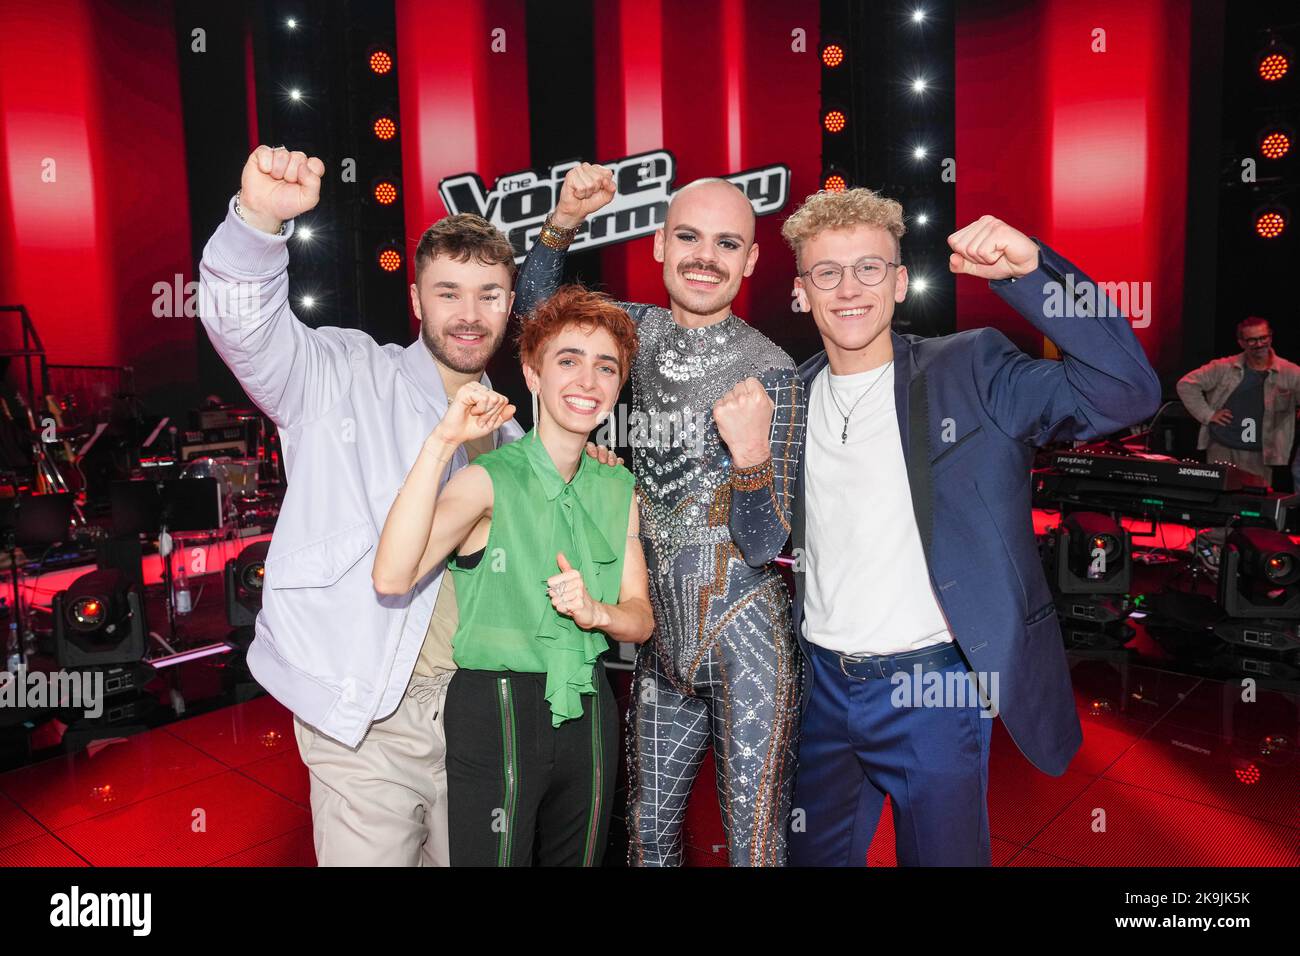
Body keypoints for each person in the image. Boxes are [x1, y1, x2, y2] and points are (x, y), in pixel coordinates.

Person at [198, 145, 614, 866]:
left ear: (509, 306)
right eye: (447, 292)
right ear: (416, 301)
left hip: (478, 715)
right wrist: (260, 221)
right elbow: (246, 330)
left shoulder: (517, 434)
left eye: (489, 295)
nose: (468, 313)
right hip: (368, 711)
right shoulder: (341, 374)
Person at [781, 189, 1161, 866]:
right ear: (802, 291)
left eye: (869, 268)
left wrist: (1032, 272)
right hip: (821, 689)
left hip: (933, 688)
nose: (848, 289)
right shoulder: (788, 396)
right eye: (826, 273)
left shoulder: (970, 368)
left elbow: (1125, 391)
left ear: (899, 282)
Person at [514, 165, 807, 866]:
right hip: (658, 647)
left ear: (752, 260)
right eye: (689, 237)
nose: (705, 256)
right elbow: (536, 317)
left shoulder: (773, 372)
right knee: (645, 839)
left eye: (728, 244)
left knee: (754, 847)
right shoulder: (630, 333)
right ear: (658, 245)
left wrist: (751, 457)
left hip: (750, 645)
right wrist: (564, 221)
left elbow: (768, 541)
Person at [373, 283, 654, 866]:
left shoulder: (619, 486)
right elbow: (393, 577)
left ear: (618, 387)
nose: (587, 381)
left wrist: (597, 614)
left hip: (590, 708)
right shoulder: (486, 479)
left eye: (606, 367)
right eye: (568, 360)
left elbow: (640, 618)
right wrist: (443, 442)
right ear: (531, 374)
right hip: (495, 712)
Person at [1176, 317, 1300, 488]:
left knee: (1255, 504)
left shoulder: (1290, 372)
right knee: (1219, 500)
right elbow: (1186, 384)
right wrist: (1208, 414)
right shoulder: (1225, 367)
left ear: (1270, 337)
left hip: (1260, 454)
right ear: (1241, 342)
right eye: (1252, 340)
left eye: (1263, 337)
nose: (1259, 344)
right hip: (1222, 448)